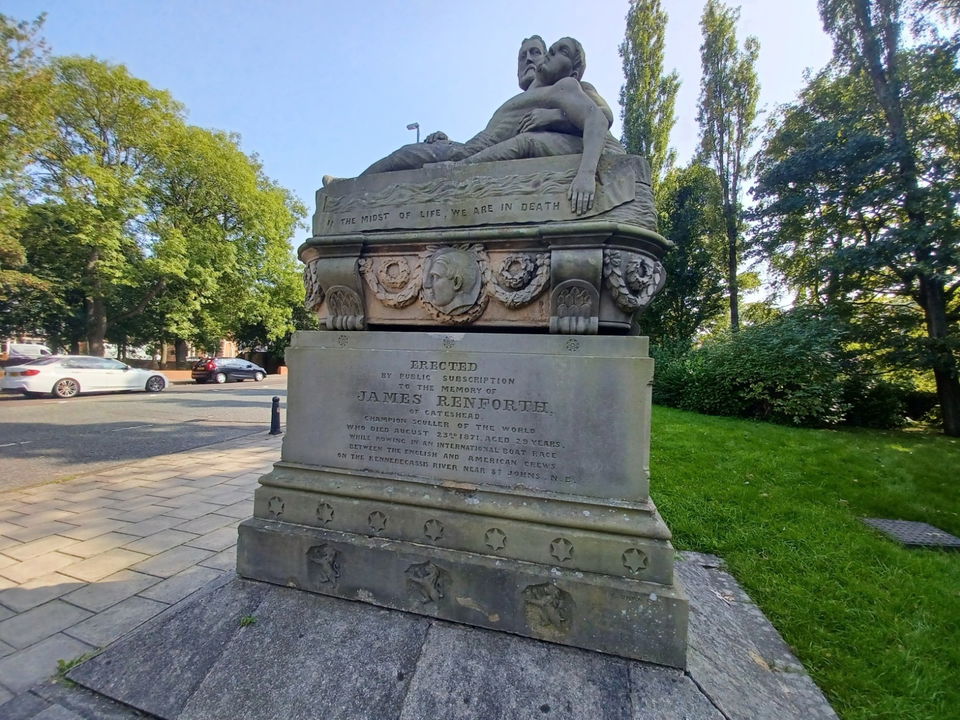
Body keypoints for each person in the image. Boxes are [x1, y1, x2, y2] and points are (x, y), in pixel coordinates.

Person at [360, 37, 618, 214]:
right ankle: (351, 189)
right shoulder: (532, 95)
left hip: (479, 155)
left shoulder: (569, 88)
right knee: (411, 154)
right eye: (523, 56)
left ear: (572, 71)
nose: (535, 58)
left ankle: (349, 190)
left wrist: (584, 171)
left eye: (540, 52)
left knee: (409, 155)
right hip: (474, 148)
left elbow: (599, 117)